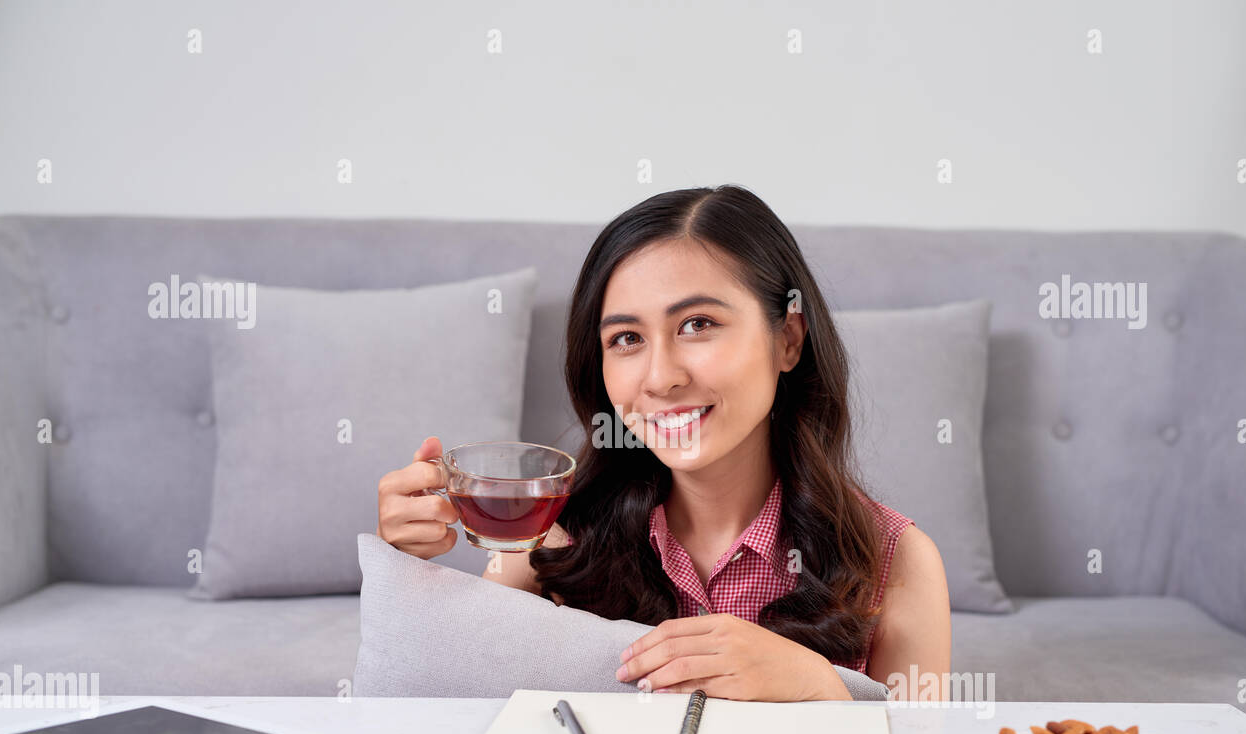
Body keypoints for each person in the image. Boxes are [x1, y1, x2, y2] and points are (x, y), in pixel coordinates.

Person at [377, 184, 950, 701]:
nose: (660, 377)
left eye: (697, 324)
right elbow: (457, 711)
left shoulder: (897, 561)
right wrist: (406, 572)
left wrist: (822, 690)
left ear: (788, 341)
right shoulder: (551, 542)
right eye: (626, 338)